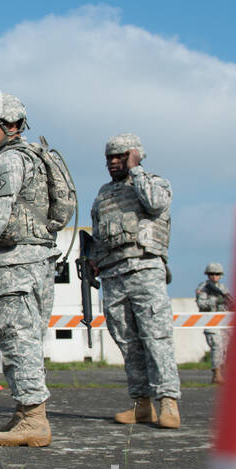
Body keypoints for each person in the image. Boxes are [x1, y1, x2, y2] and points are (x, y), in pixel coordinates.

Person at [0, 92, 70, 446]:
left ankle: (34, 420)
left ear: (11, 126)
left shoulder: (7, 161)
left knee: (17, 339)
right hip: (39, 258)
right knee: (28, 338)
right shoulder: (34, 157)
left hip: (15, 262)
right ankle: (25, 412)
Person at [87, 133, 181, 428]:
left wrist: (136, 169)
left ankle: (168, 403)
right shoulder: (104, 195)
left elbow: (155, 205)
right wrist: (94, 260)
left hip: (144, 269)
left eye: (120, 156)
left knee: (156, 337)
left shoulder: (154, 183)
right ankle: (141, 403)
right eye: (109, 158)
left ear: (135, 156)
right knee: (127, 341)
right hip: (113, 275)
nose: (113, 163)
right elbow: (99, 234)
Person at [196, 262, 234, 384]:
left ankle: (224, 374)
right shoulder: (204, 288)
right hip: (211, 321)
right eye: (211, 274)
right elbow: (201, 304)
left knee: (226, 349)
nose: (214, 276)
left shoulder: (223, 288)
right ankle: (216, 375)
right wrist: (215, 300)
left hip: (223, 322)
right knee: (217, 346)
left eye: (217, 274)